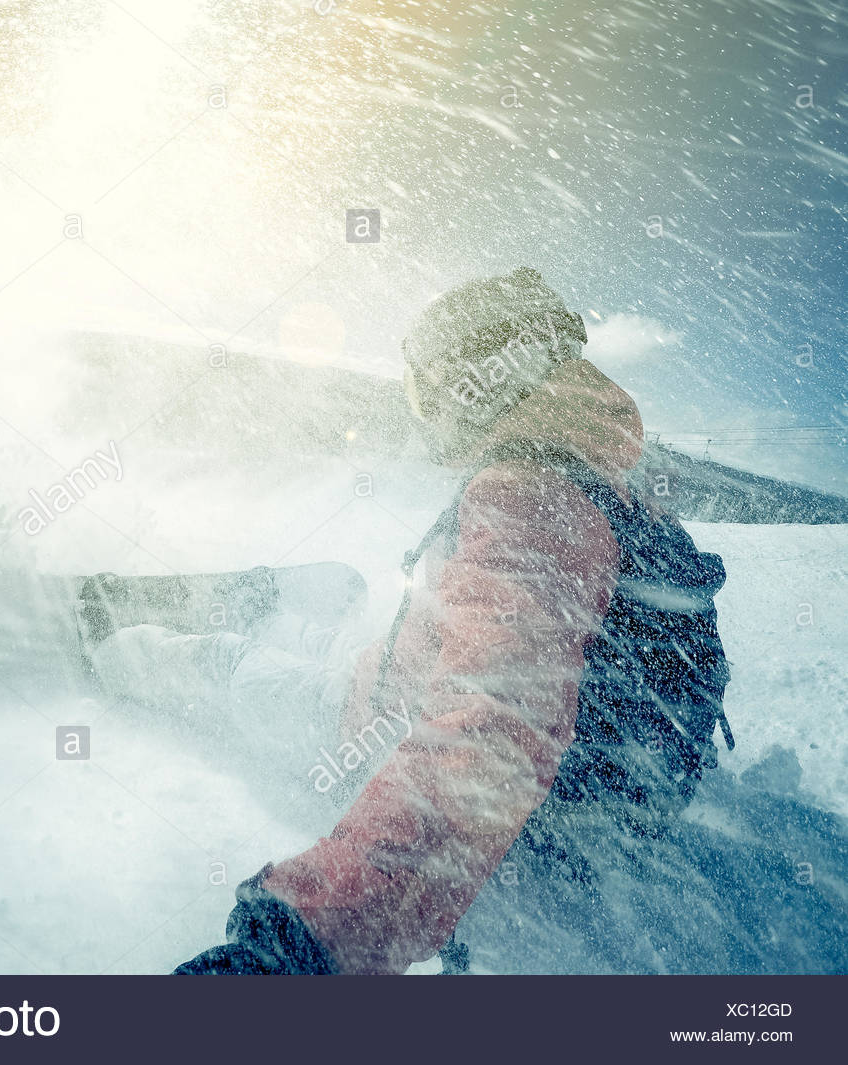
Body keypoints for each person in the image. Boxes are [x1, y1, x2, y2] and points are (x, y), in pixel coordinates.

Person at [91, 266, 731, 975]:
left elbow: (490, 735)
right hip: (550, 766)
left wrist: (302, 943)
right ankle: (296, 615)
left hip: (383, 727)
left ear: (481, 375)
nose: (428, 411)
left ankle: (105, 647)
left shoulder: (528, 496)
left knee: (231, 667)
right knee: (339, 645)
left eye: (430, 389)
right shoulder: (601, 482)